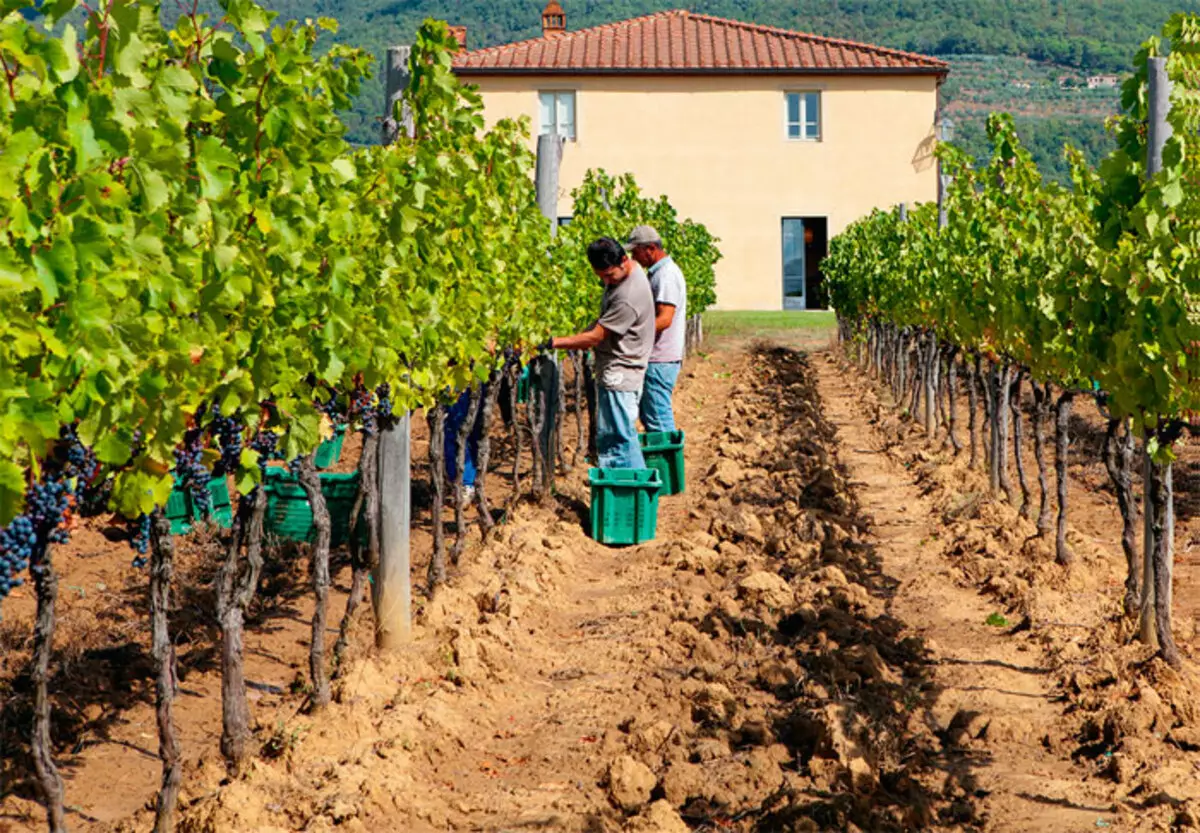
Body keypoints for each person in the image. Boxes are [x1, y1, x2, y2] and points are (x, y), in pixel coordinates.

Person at [546, 237, 655, 469]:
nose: (606, 281)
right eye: (601, 276)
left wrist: (555, 342)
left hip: (621, 372)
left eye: (609, 276)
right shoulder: (626, 274)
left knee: (620, 439)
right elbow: (601, 323)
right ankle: (626, 493)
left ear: (624, 261)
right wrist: (575, 340)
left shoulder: (628, 296)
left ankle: (629, 494)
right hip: (622, 368)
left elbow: (596, 336)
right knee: (619, 434)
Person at [626, 225, 687, 433]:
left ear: (650, 249)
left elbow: (665, 319)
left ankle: (670, 465)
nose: (634, 258)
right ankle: (665, 464)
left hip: (660, 359)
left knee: (659, 423)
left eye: (636, 252)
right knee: (652, 418)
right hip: (659, 359)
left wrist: (631, 333)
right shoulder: (659, 274)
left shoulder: (665, 275)